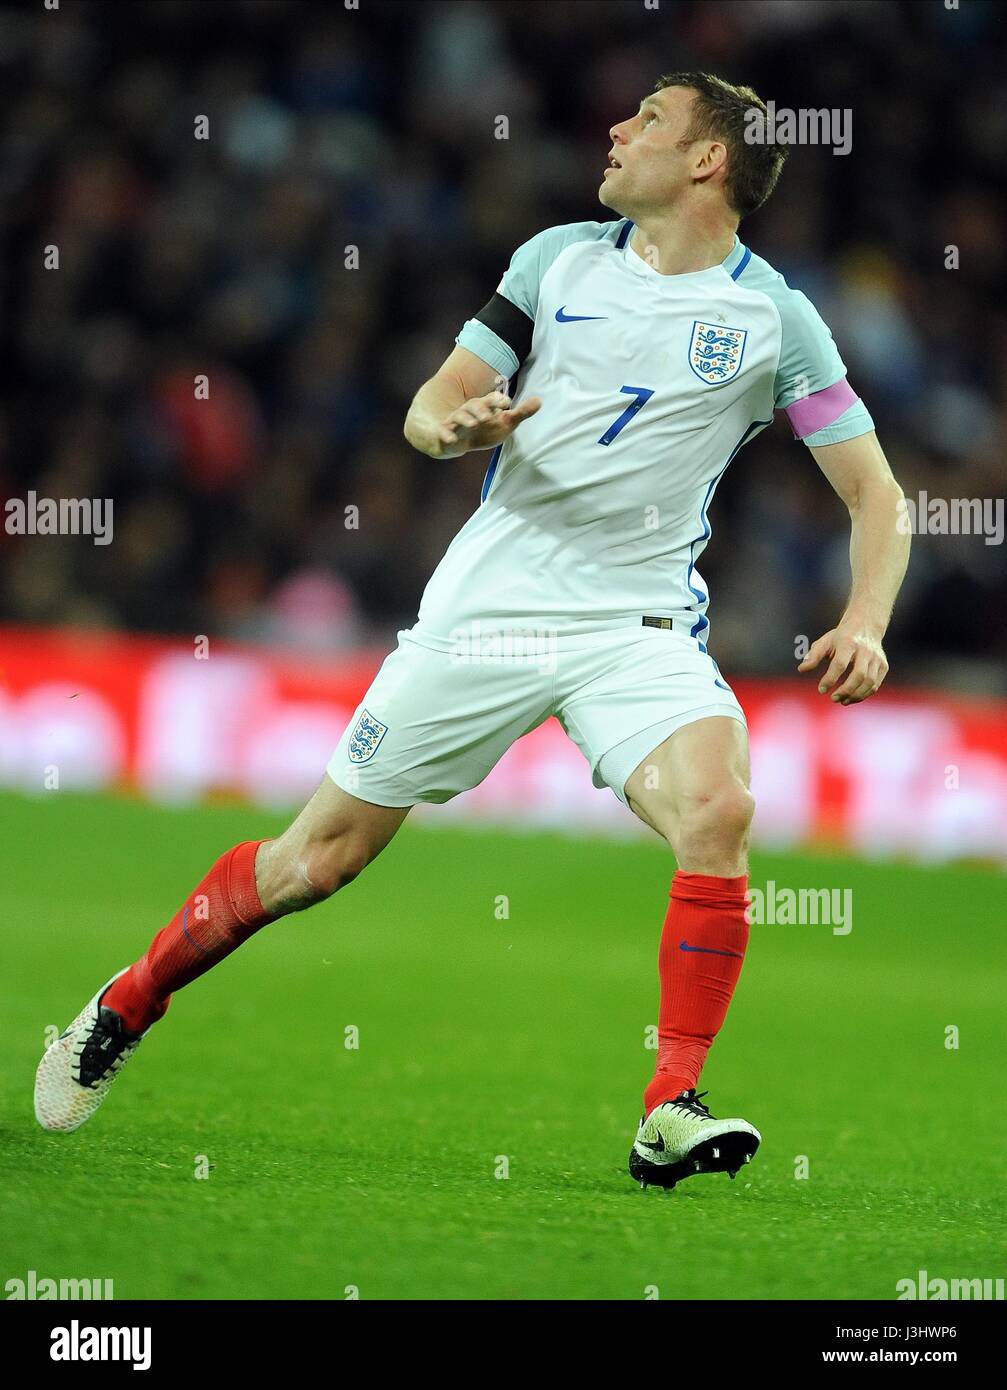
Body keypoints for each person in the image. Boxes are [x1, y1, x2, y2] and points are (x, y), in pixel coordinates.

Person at [36, 72, 909, 1190]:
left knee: (717, 807)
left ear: (705, 160)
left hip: (633, 622)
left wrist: (866, 622)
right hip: (489, 609)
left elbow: (875, 494)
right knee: (315, 861)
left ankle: (667, 1104)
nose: (614, 127)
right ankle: (126, 1001)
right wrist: (452, 426)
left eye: (646, 117)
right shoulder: (555, 261)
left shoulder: (772, 318)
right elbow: (431, 400)